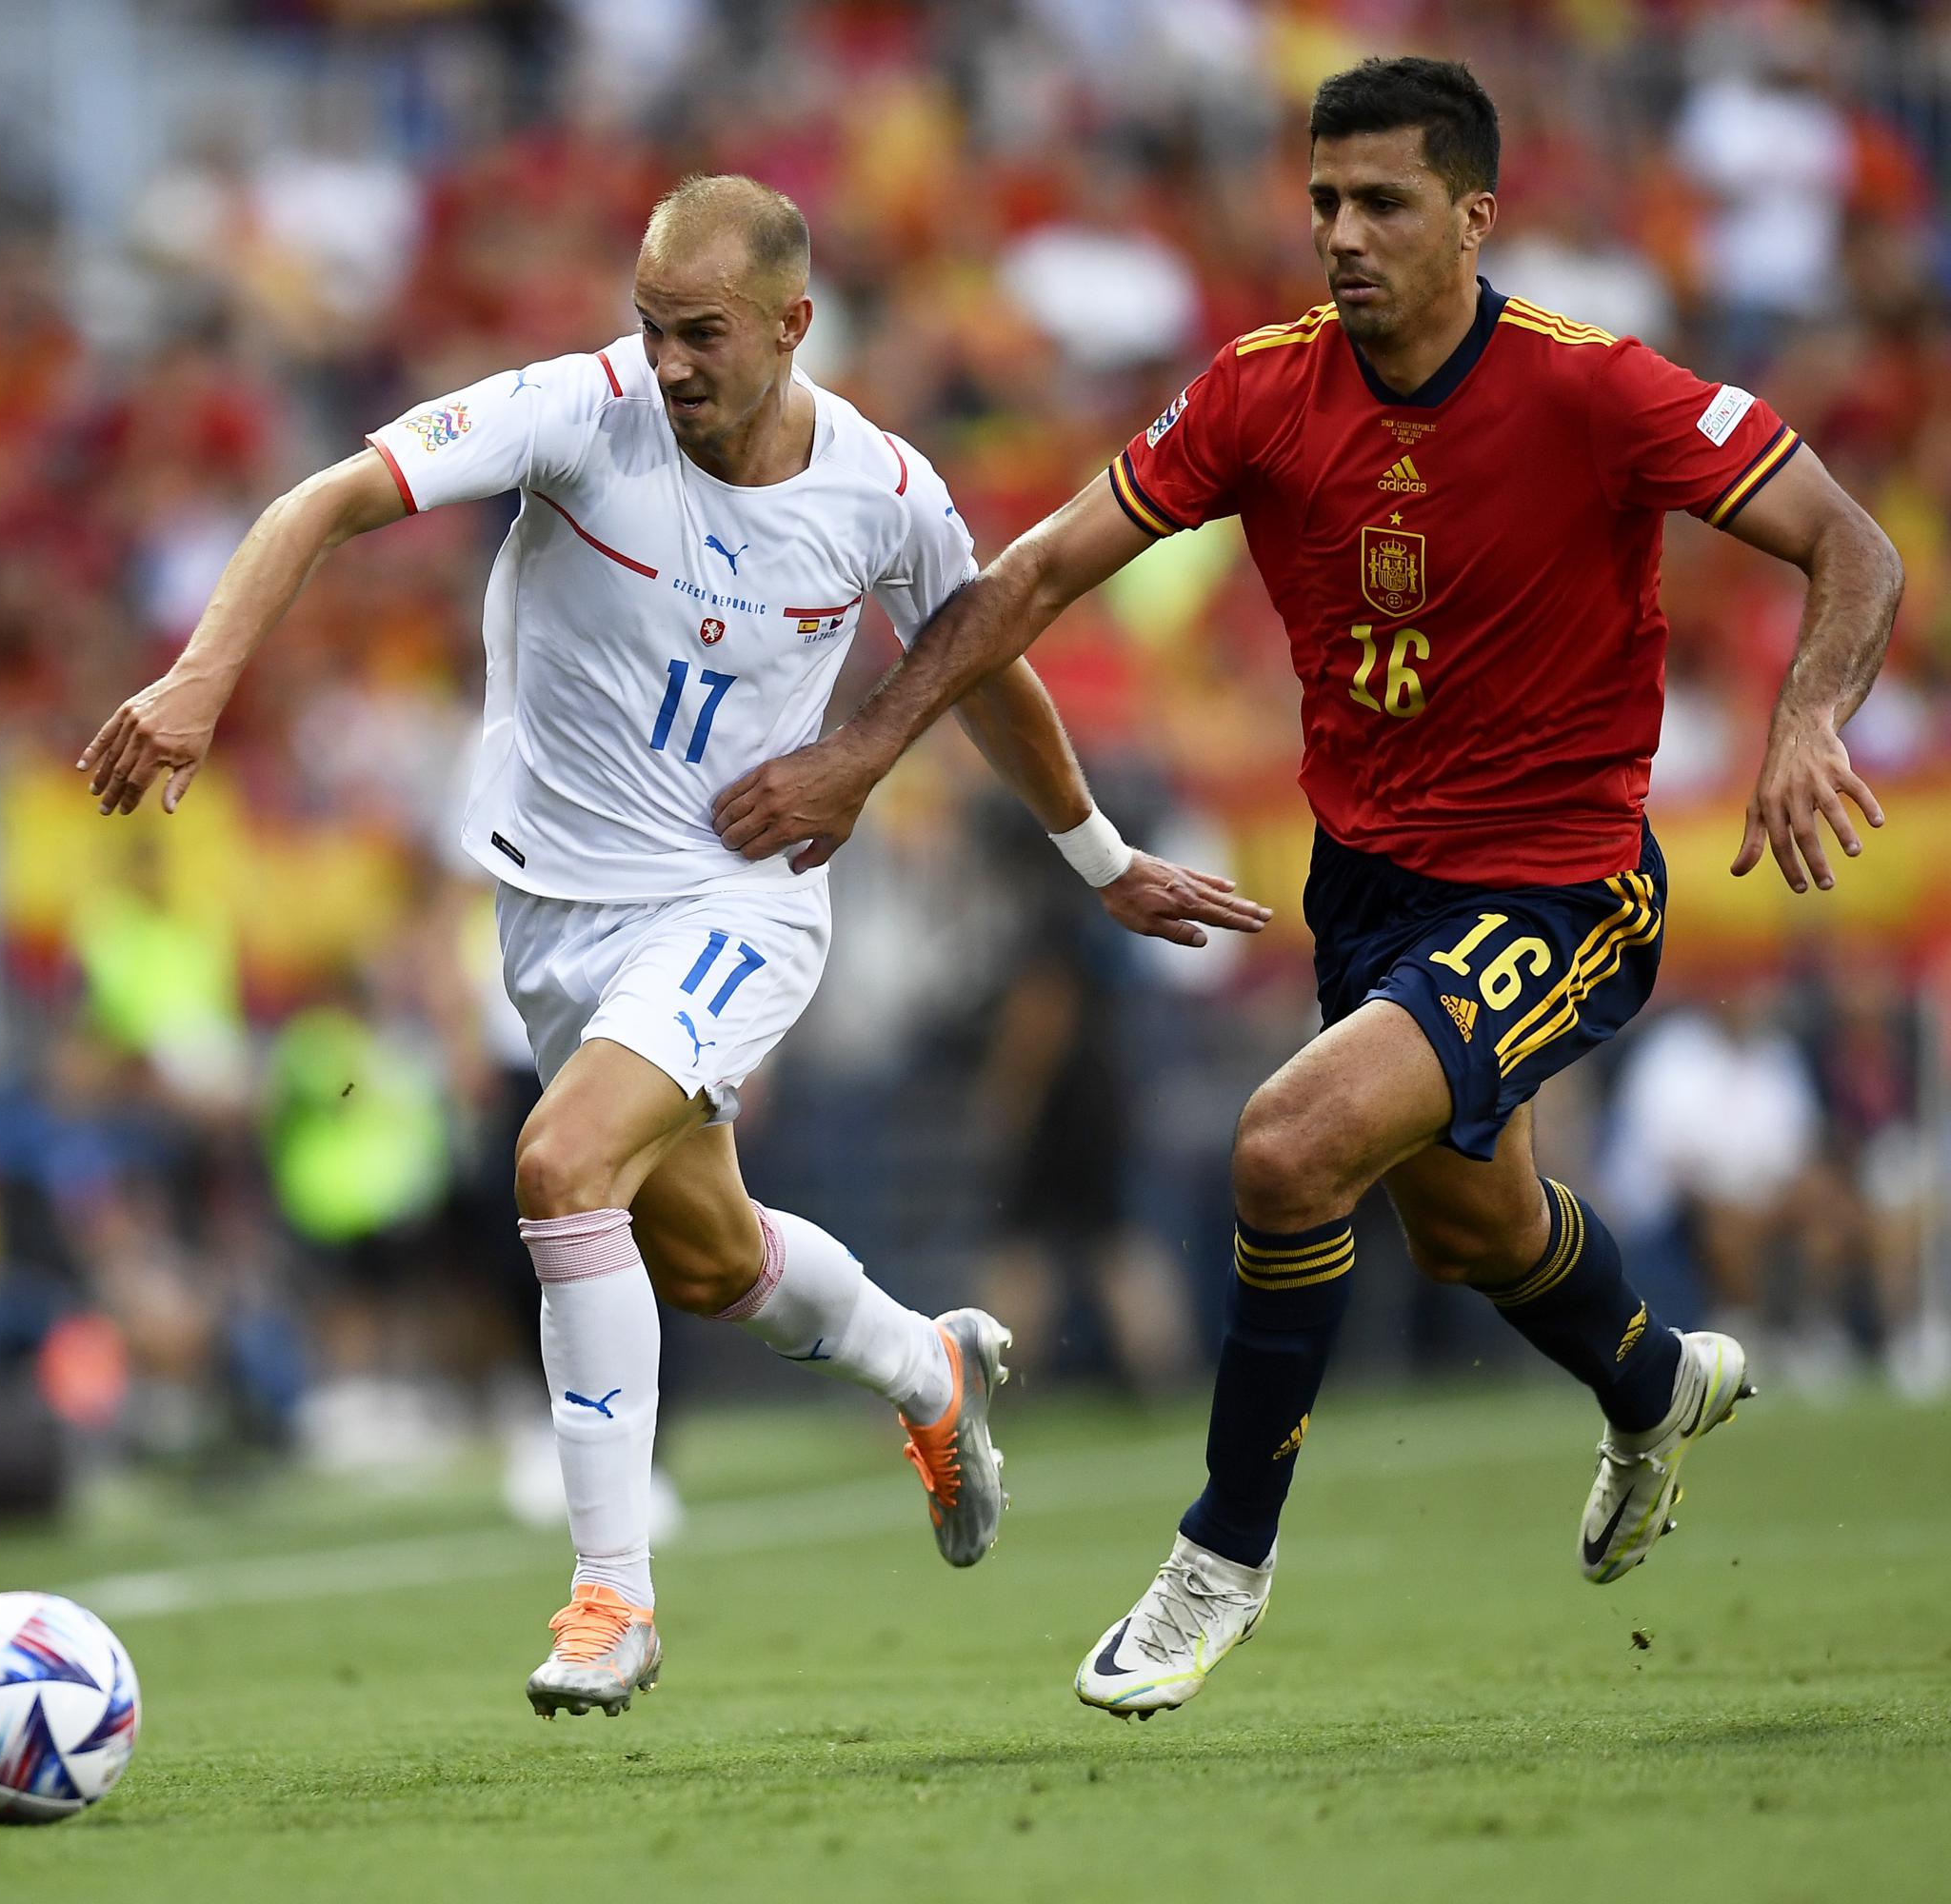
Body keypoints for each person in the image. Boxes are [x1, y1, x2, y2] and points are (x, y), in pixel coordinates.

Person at [713, 59, 1901, 1717]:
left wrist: (1806, 722)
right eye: (1325, 200)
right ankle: (1654, 1389)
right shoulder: (1260, 392)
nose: (1341, 234)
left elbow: (1855, 543)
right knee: (1484, 1232)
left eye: (1384, 203)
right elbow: (1036, 573)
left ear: (1475, 216)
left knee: (1285, 1146)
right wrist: (864, 751)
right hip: (1370, 891)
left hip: (1562, 889)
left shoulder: (1596, 388)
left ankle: (1220, 1558)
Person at [79, 174, 1266, 1718]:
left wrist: (1098, 859)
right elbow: (324, 502)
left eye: (702, 333)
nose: (671, 362)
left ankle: (609, 1599)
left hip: (737, 899)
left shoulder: (886, 492)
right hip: (552, 913)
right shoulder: (579, 412)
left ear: (793, 326)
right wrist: (195, 683)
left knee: (562, 1167)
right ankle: (929, 1370)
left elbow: (986, 661)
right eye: (652, 328)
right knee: (701, 1254)